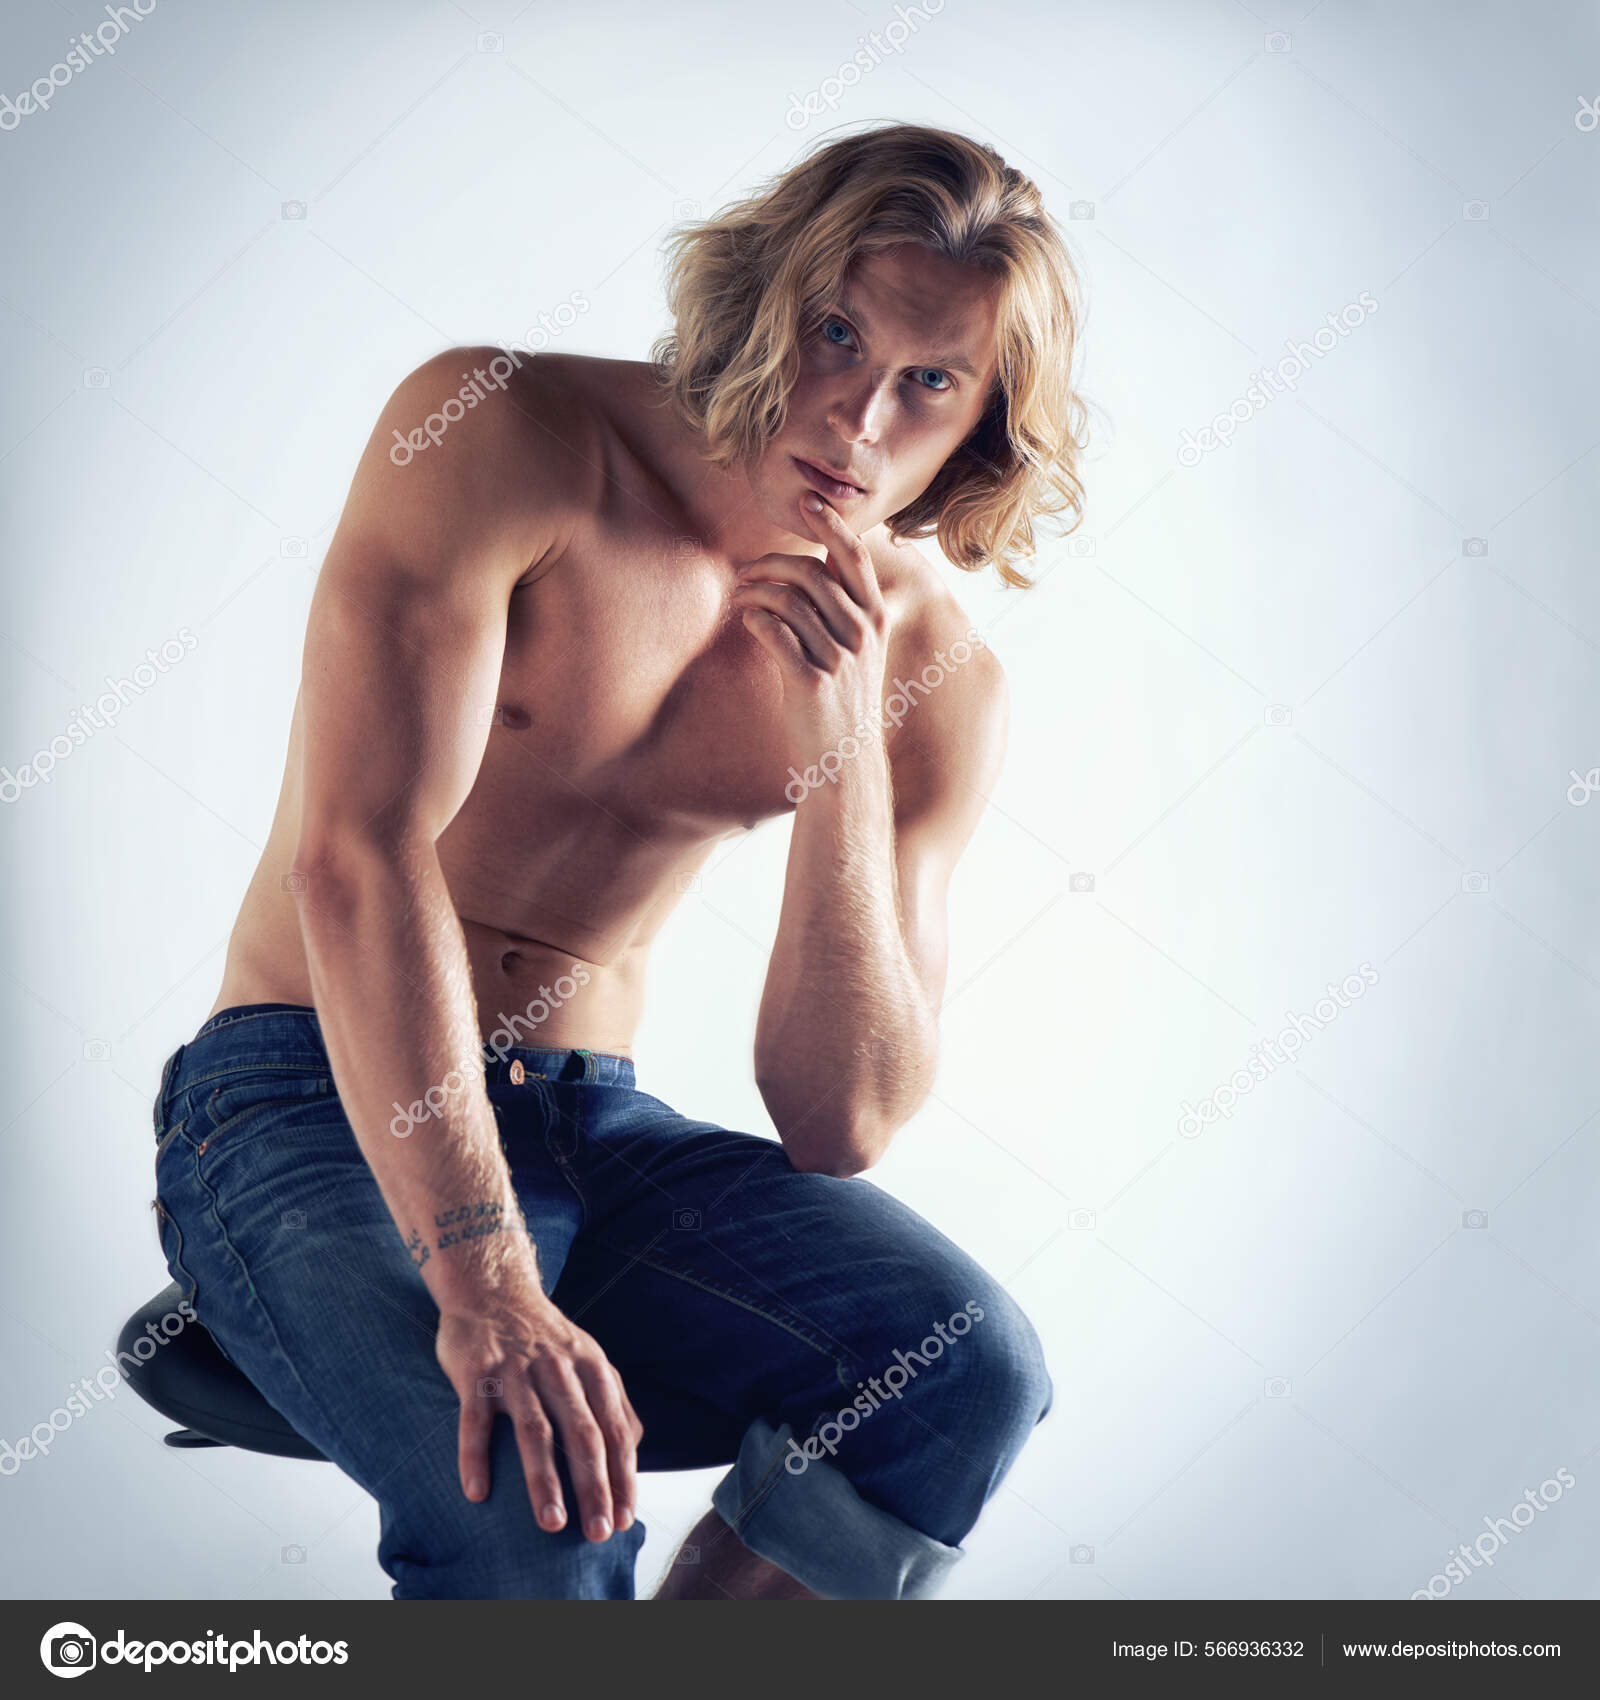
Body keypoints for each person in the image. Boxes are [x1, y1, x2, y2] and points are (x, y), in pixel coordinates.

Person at [149, 120, 1088, 1600]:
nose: (856, 420)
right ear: (766, 301)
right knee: (534, 1502)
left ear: (984, 419)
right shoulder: (504, 433)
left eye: (929, 382)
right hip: (310, 1088)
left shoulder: (938, 674)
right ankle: (334, 1315)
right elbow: (355, 854)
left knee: (965, 1366)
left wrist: (840, 739)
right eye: (837, 334)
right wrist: (484, 1277)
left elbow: (838, 1117)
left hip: (594, 1126)